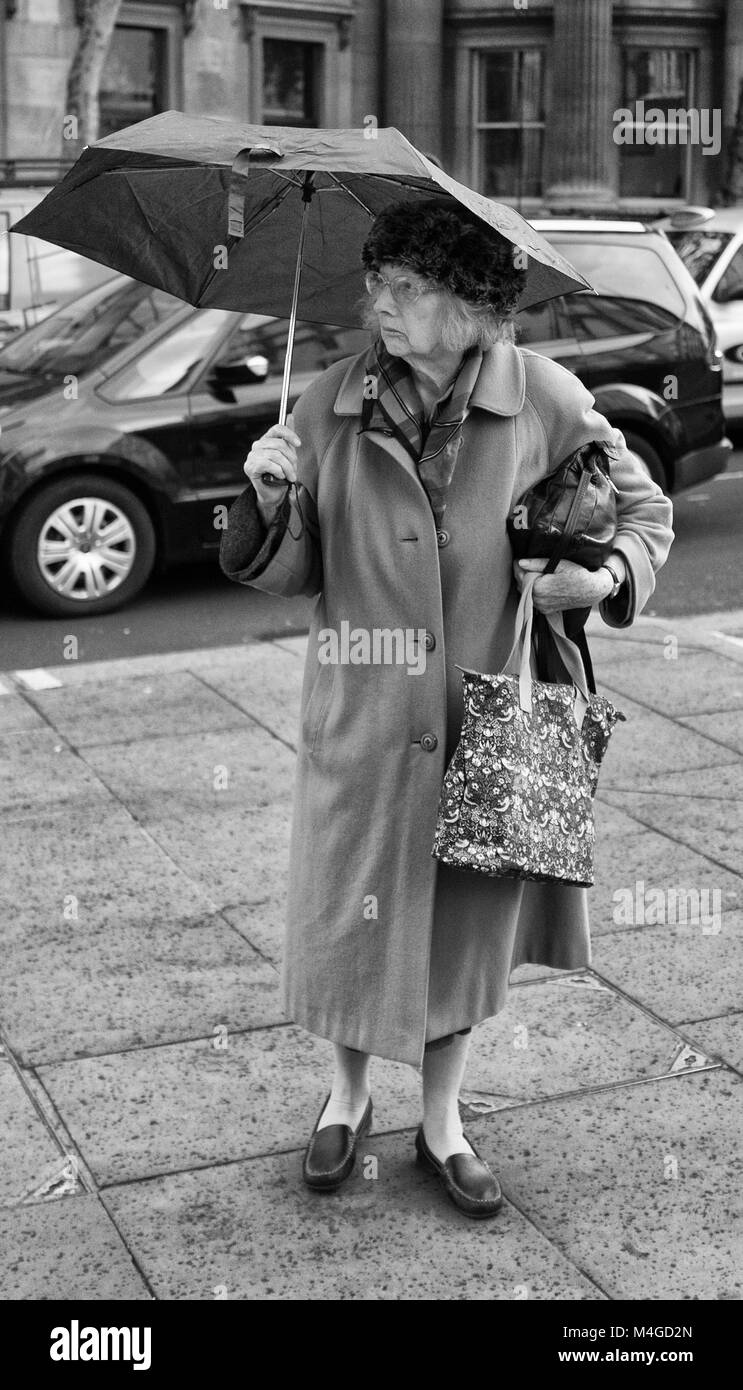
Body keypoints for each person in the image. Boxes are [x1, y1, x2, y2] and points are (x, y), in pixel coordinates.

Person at [219, 197, 674, 1219]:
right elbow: (289, 570)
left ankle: (442, 1119)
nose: (376, 302)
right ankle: (344, 1097)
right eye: (374, 282)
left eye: (403, 287)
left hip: (485, 713)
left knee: (463, 923)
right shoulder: (329, 400)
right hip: (363, 717)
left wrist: (601, 584)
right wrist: (266, 499)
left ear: (470, 302)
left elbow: (643, 512)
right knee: (350, 916)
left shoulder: (546, 398)